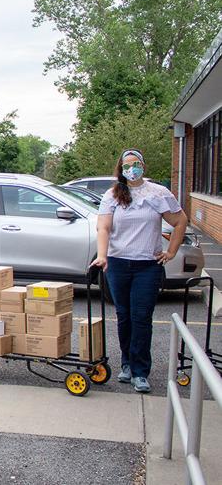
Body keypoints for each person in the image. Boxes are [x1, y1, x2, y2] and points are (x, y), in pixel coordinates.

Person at [91, 149, 187, 393]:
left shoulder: (157, 193)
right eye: (127, 165)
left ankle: (140, 371)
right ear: (121, 168)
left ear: (143, 166)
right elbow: (103, 228)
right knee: (124, 316)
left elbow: (180, 221)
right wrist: (102, 256)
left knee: (141, 318)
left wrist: (172, 251)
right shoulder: (113, 195)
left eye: (136, 164)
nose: (132, 168)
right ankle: (126, 364)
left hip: (147, 266)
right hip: (118, 264)